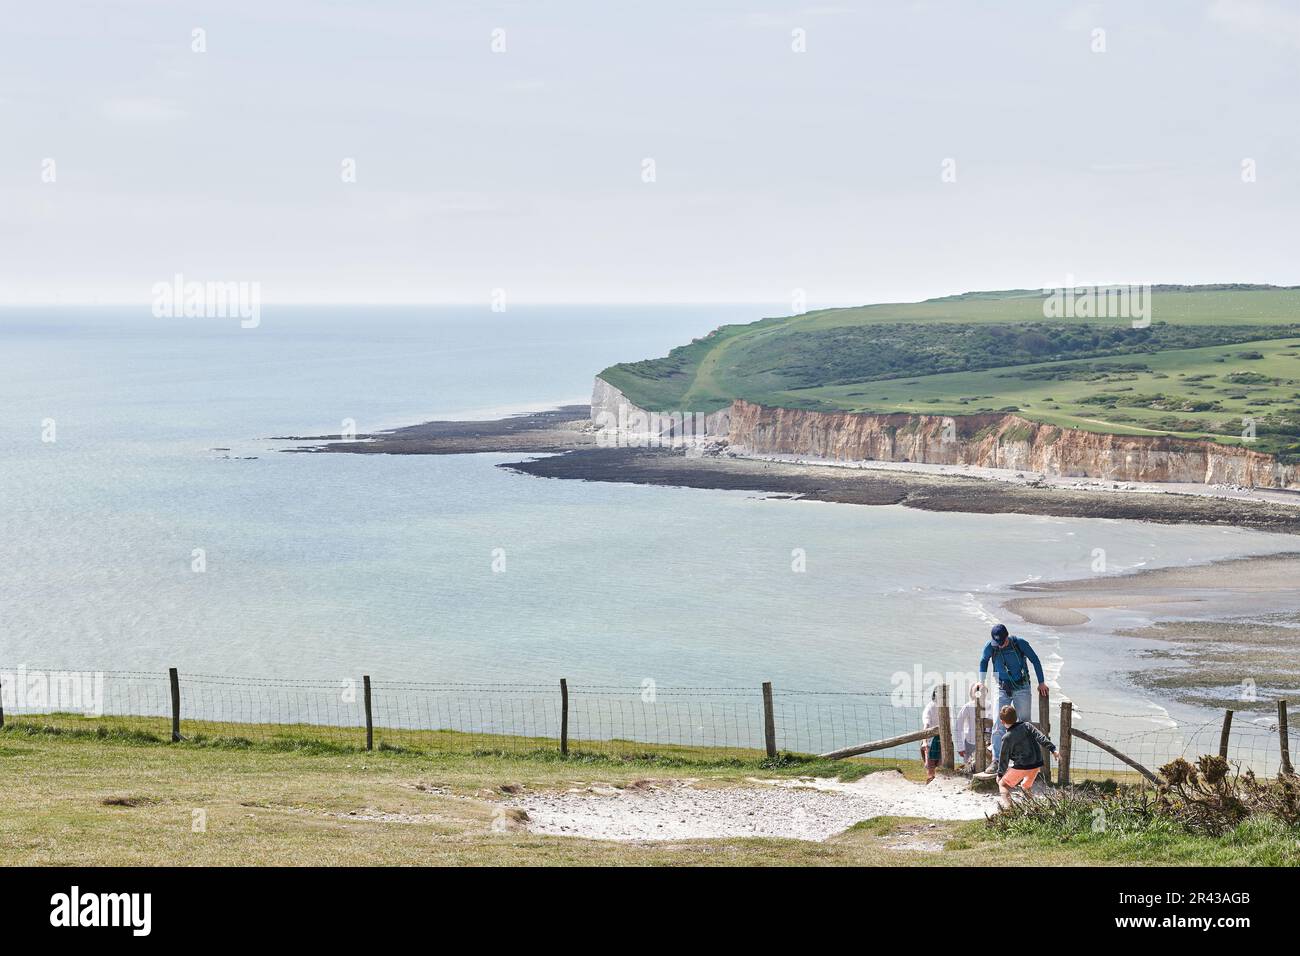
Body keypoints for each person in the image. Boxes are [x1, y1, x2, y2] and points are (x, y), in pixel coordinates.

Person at [979, 623, 1048, 770]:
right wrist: (982, 681)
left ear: (1007, 637)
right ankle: (996, 760)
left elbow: (1035, 660)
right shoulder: (991, 646)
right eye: (996, 642)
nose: (1000, 645)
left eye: (1002, 642)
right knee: (998, 723)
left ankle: (1026, 760)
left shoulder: (1019, 643)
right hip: (1001, 687)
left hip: (1021, 687)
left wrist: (1041, 682)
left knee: (1024, 723)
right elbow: (983, 661)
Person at [995, 703, 1057, 808]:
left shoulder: (1007, 737)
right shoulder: (1027, 725)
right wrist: (1053, 749)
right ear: (1016, 717)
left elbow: (1003, 758)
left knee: (1002, 784)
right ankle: (1033, 807)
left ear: (1002, 722)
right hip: (1036, 764)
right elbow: (1040, 736)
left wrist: (1000, 774)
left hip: (1022, 766)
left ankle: (1009, 808)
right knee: (1026, 786)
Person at [954, 684, 983, 771]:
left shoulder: (989, 706)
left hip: (985, 742)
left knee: (983, 766)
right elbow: (958, 726)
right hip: (969, 743)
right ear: (971, 693)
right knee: (968, 767)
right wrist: (960, 746)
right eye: (976, 691)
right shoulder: (967, 707)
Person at [920, 688, 941, 782]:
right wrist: (924, 742)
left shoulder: (946, 706)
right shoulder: (929, 708)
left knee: (942, 766)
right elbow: (926, 726)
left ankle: (939, 783)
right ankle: (930, 783)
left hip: (943, 739)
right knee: (931, 768)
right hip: (931, 740)